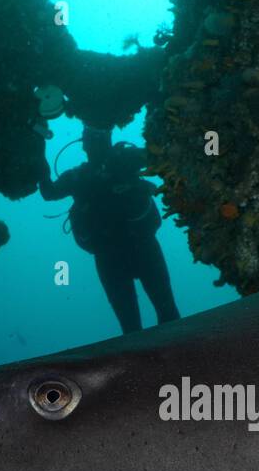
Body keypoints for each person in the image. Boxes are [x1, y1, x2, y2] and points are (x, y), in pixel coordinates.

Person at [39, 124, 180, 334]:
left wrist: (38, 150)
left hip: (121, 251)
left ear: (83, 145)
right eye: (93, 138)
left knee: (144, 324)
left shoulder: (87, 174)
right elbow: (49, 193)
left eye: (97, 137)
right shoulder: (94, 171)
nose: (95, 143)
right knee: (155, 320)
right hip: (130, 249)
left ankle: (173, 361)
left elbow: (49, 192)